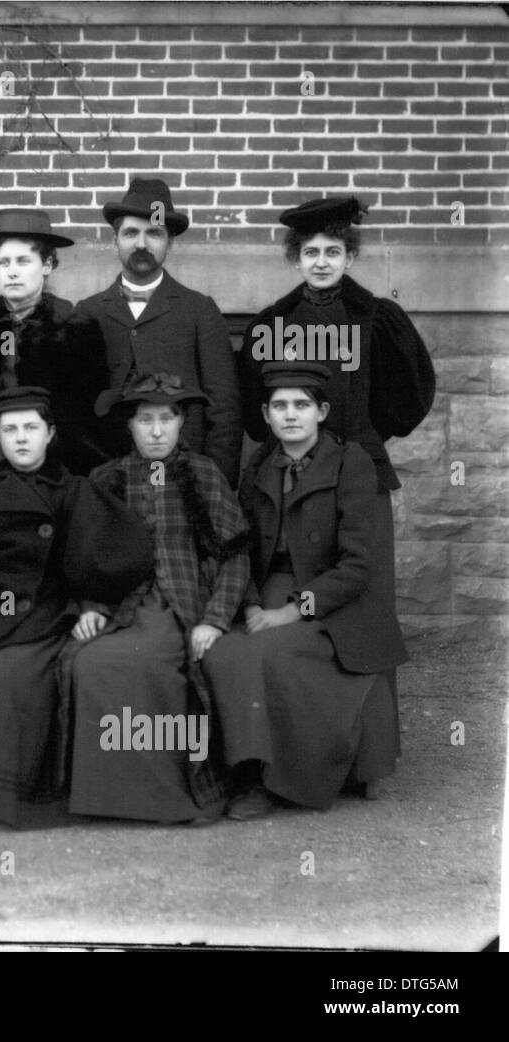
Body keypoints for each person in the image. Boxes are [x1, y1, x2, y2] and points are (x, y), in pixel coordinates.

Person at [237, 196, 435, 784]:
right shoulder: (274, 321)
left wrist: (364, 439)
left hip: (357, 473)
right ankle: (295, 752)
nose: (321, 262)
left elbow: (411, 391)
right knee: (291, 598)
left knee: (365, 604)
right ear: (295, 258)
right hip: (295, 473)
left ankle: (368, 759)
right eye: (310, 253)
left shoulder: (376, 316)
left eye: (333, 252)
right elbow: (257, 406)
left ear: (350, 256)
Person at [0, 386, 154, 827]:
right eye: (11, 430)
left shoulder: (74, 490)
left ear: (50, 434)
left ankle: (14, 802)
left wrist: (93, 605)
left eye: (31, 428)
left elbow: (97, 557)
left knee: (16, 680)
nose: (21, 439)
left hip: (44, 611)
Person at [203, 361, 408, 819]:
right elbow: (239, 545)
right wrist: (251, 600)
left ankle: (276, 782)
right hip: (268, 591)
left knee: (270, 653)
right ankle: (239, 768)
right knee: (222, 652)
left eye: (301, 405)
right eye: (279, 406)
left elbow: (358, 565)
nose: (290, 415)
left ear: (322, 411)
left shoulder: (352, 463)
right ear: (267, 414)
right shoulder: (259, 463)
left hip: (334, 601)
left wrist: (292, 611)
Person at [59, 372, 249, 824]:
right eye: (146, 420)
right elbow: (84, 557)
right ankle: (107, 798)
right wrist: (89, 608)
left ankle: (162, 797)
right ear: (130, 426)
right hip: (122, 606)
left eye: (167, 419)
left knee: (149, 665)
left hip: (182, 604)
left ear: (182, 423)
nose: (158, 431)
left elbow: (236, 556)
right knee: (88, 662)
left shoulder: (202, 474)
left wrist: (216, 619)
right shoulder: (107, 479)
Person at [74, 179, 242, 486]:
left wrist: (216, 485)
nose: (141, 244)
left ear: (170, 241)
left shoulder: (199, 310)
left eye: (153, 232)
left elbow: (224, 410)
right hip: (111, 480)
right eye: (130, 233)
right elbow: (78, 411)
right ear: (115, 239)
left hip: (186, 479)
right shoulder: (89, 312)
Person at [0, 209, 114, 477]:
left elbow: (86, 417)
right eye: (4, 262)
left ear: (47, 265)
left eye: (23, 261)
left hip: (55, 470)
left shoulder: (75, 329)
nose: (12, 272)